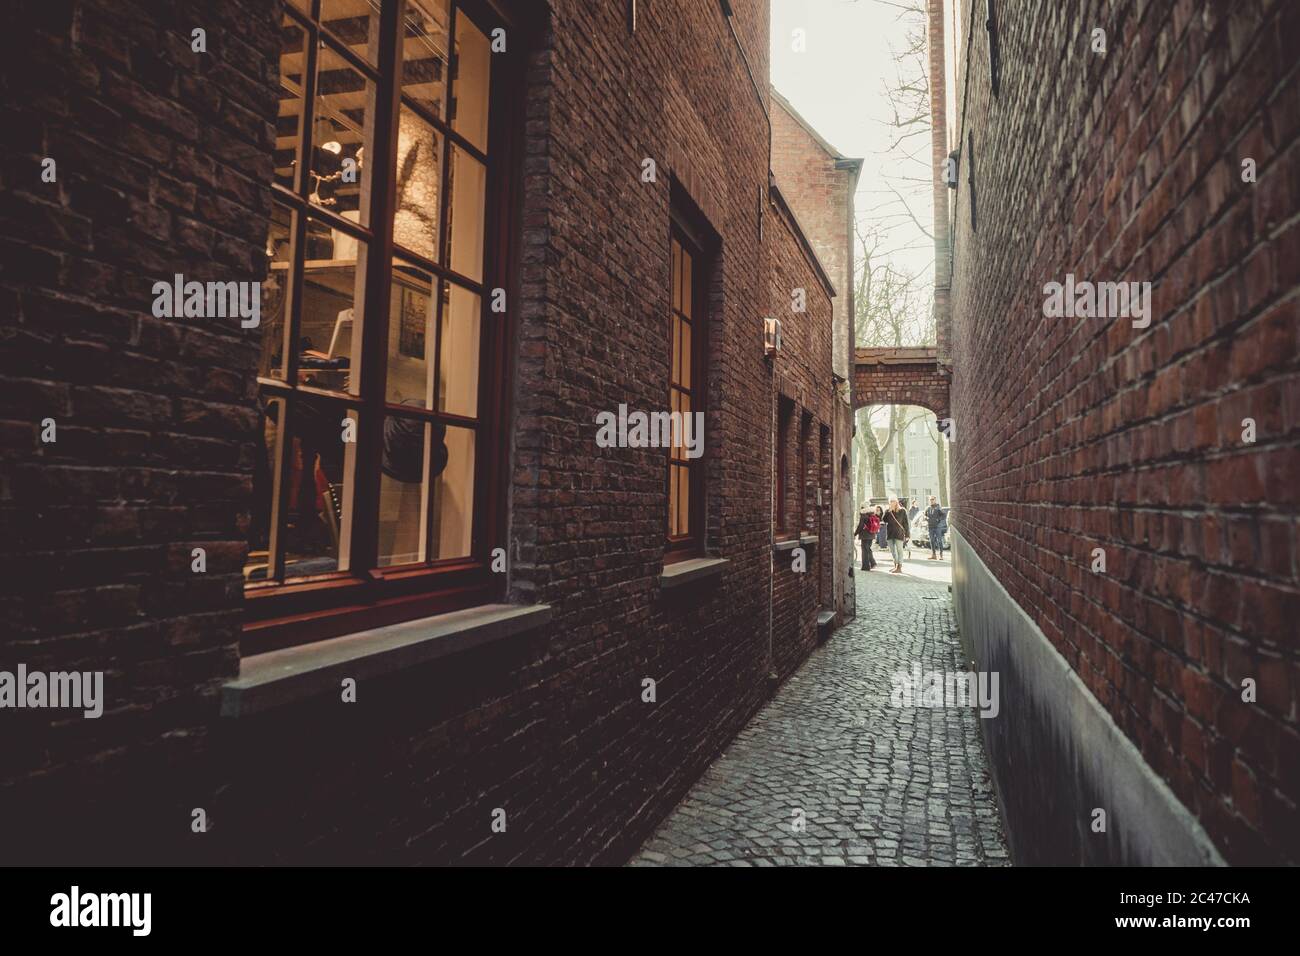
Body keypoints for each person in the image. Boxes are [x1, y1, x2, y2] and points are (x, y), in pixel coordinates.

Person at [884, 497, 910, 573]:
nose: (892, 502)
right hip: (890, 533)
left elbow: (906, 523)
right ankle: (895, 565)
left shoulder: (902, 511)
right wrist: (888, 511)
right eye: (890, 501)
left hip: (899, 533)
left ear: (896, 502)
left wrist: (907, 534)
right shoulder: (888, 511)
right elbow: (884, 520)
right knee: (892, 551)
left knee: (899, 550)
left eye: (893, 501)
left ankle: (899, 567)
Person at [855, 503, 880, 570]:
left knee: (864, 550)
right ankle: (872, 563)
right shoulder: (872, 514)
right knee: (868, 549)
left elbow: (860, 526)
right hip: (872, 534)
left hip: (865, 535)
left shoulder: (863, 515)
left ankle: (866, 566)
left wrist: (855, 534)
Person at [925, 495, 948, 560]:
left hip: (937, 527)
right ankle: (933, 555)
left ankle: (941, 555)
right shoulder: (928, 508)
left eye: (932, 499)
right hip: (930, 527)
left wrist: (939, 519)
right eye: (930, 500)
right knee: (931, 540)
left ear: (935, 500)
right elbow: (925, 515)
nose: (931, 501)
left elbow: (944, 515)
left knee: (939, 541)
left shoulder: (938, 507)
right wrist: (926, 518)